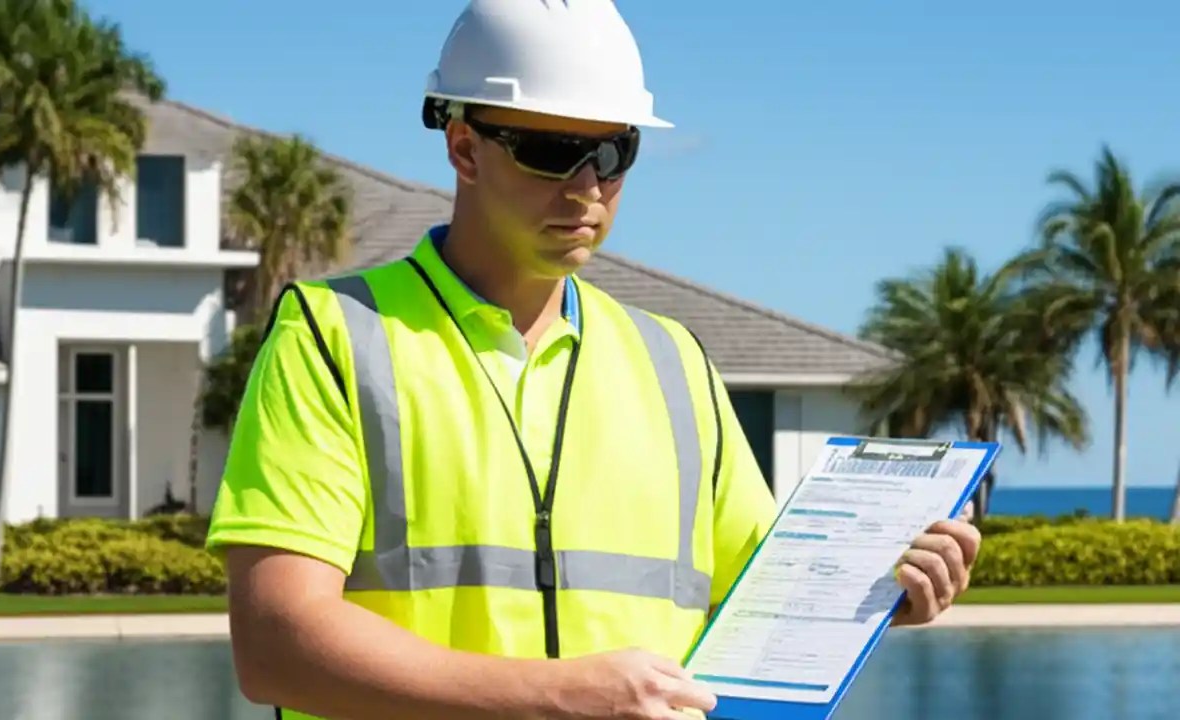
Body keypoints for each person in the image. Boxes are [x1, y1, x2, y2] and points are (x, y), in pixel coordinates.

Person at [204, 1, 983, 719]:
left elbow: (767, 609)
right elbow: (275, 644)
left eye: (614, 152)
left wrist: (881, 588)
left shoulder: (673, 363)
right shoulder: (334, 338)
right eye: (552, 152)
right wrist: (559, 698)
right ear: (464, 147)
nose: (588, 187)